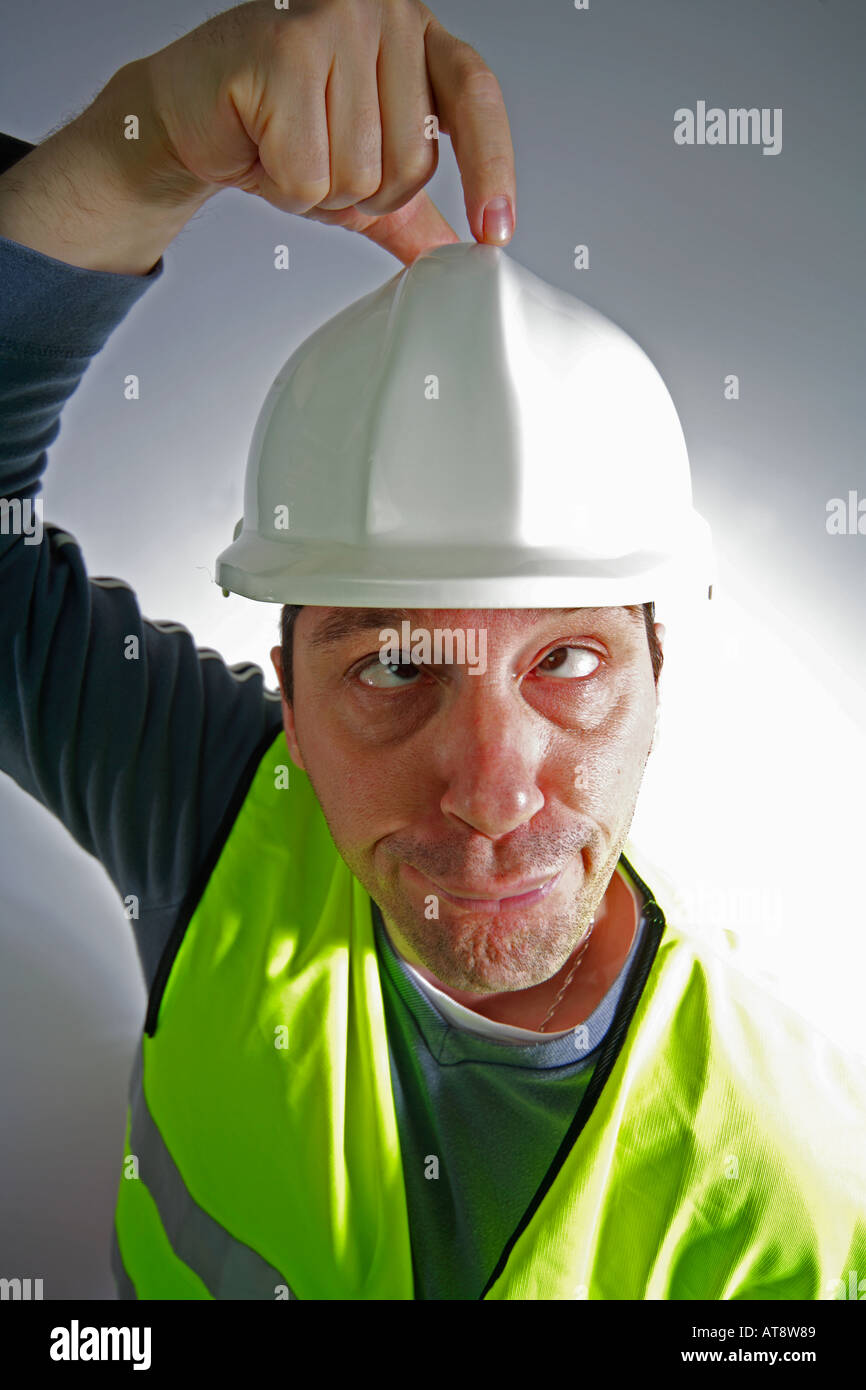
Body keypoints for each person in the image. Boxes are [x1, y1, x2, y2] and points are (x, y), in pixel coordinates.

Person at [1, 0, 864, 1302]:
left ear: (656, 675)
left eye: (566, 662)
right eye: (394, 669)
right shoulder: (219, 803)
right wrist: (137, 146)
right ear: (287, 698)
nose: (490, 791)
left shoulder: (799, 1199)